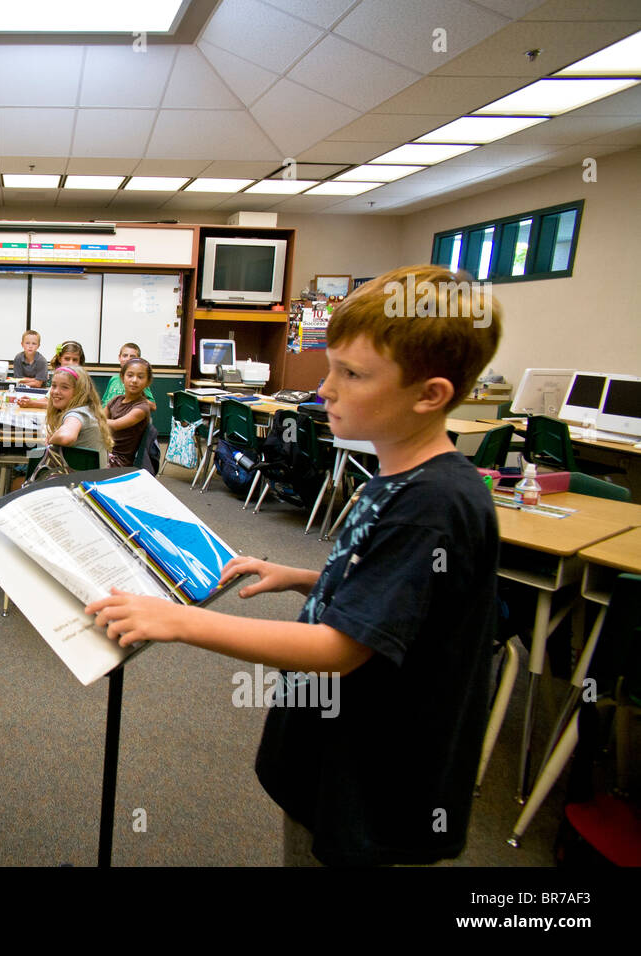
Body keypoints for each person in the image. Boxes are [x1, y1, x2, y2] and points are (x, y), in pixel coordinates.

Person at [86, 264, 503, 867]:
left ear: (429, 395)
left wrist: (176, 622)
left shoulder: (433, 504)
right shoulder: (399, 476)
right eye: (331, 367)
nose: (325, 389)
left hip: (373, 786)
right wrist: (303, 574)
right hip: (330, 758)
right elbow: (394, 590)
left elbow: (341, 648)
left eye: (352, 374)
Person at [106, 357, 155, 467]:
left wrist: (93, 419)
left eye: (140, 377)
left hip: (119, 460)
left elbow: (115, 425)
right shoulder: (115, 400)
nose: (134, 380)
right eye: (130, 375)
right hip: (105, 450)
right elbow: (100, 420)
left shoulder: (142, 408)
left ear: (148, 382)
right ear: (122, 378)